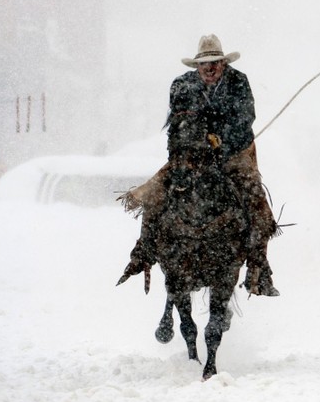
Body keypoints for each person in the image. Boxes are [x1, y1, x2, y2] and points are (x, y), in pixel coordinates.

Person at [120, 34, 280, 297]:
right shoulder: (181, 85)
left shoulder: (239, 82)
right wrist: (193, 145)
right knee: (154, 192)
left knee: (255, 198)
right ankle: (144, 251)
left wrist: (221, 141)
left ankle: (258, 267)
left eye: (215, 62)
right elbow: (176, 123)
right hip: (190, 154)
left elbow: (245, 119)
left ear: (224, 63)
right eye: (204, 63)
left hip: (234, 155)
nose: (209, 68)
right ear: (196, 66)